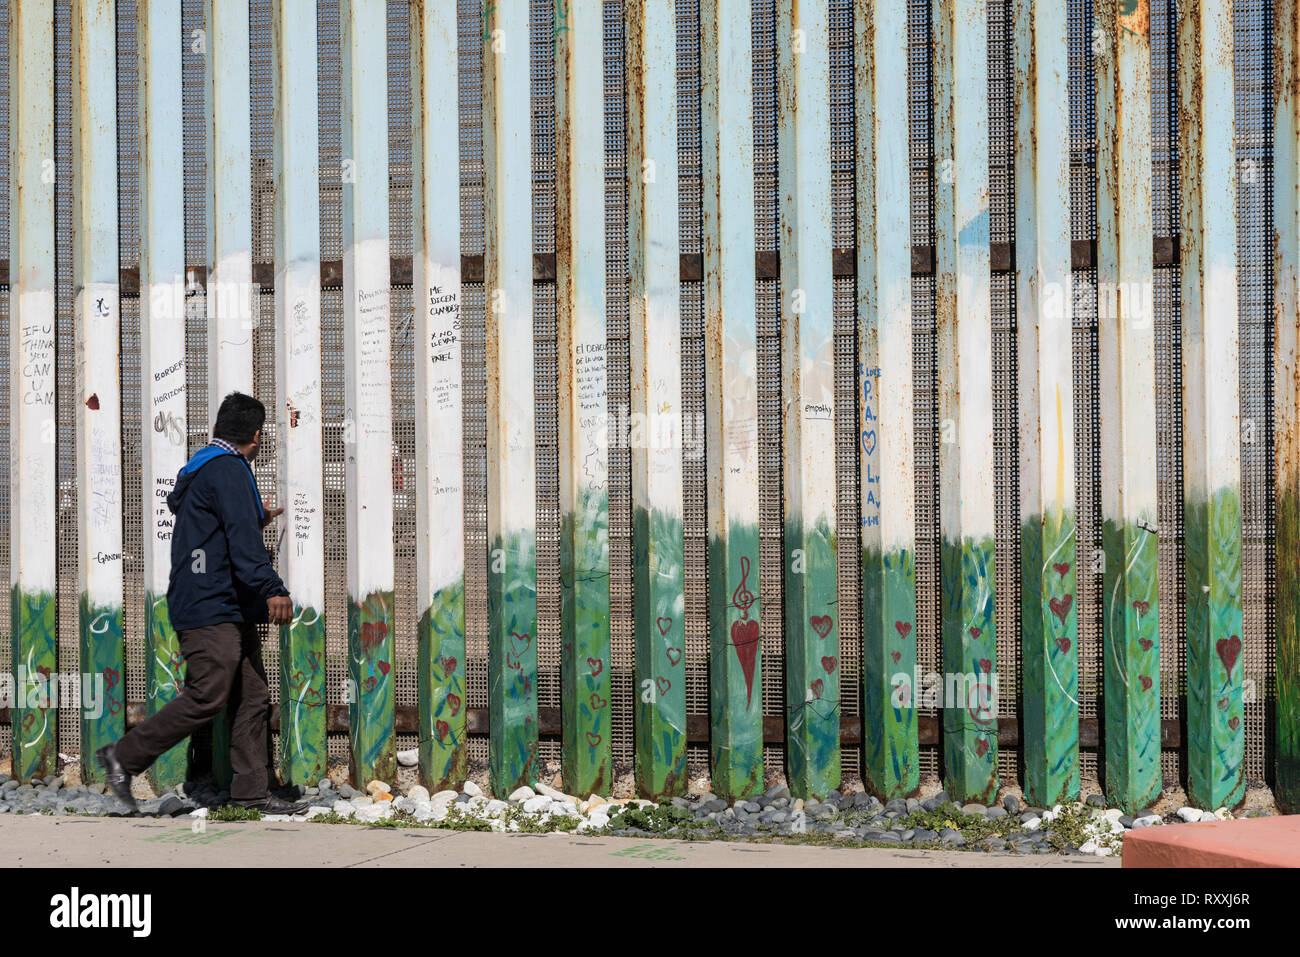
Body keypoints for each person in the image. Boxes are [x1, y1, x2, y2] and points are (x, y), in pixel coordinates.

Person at [97, 392, 310, 814]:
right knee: (208, 693)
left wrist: (256, 515)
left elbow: (217, 525)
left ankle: (251, 792)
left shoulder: (206, 468)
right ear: (257, 434)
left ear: (217, 429)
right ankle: (124, 757)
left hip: (226, 603)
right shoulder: (228, 471)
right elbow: (241, 543)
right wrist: (273, 588)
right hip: (210, 603)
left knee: (251, 697)